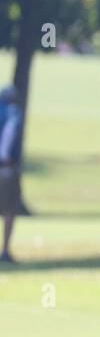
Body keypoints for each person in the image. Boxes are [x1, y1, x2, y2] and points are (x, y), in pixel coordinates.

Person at [0, 86, 21, 263]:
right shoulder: (12, 112)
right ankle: (5, 250)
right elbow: (9, 131)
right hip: (4, 167)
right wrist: (5, 156)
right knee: (8, 210)